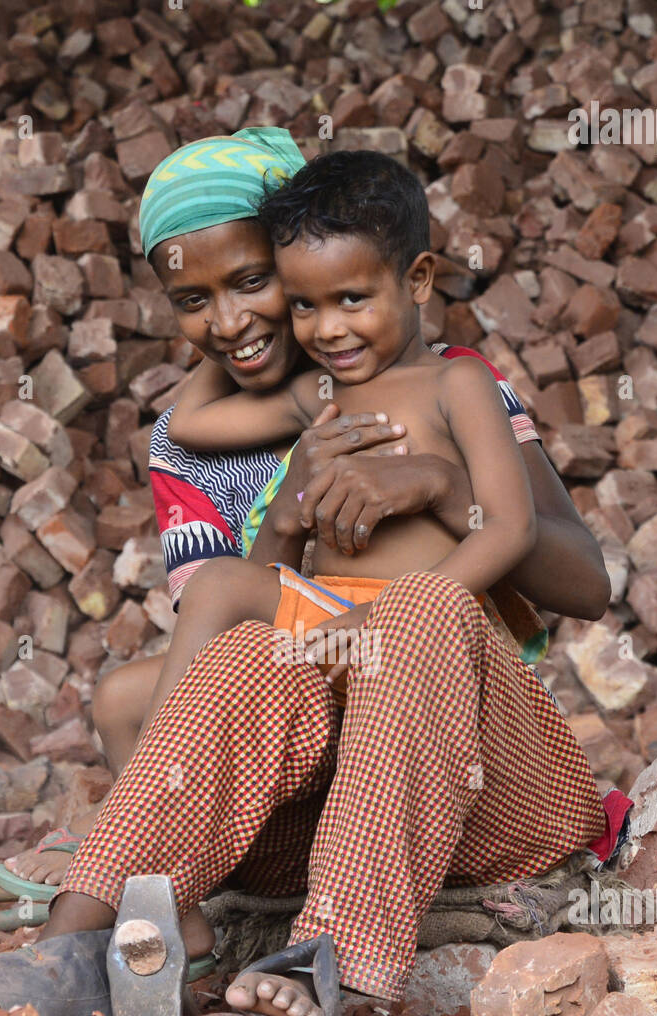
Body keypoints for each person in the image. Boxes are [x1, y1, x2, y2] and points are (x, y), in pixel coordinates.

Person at [0, 128, 624, 1016]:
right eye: (198, 298)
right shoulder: (240, 430)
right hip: (298, 798)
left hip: (465, 766)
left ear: (407, 277)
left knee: (419, 608)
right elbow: (260, 589)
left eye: (257, 282)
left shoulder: (454, 387)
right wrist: (296, 501)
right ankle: (73, 943)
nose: (242, 322)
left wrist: (439, 485)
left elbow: (580, 580)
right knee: (242, 655)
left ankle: (334, 968)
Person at [159, 149, 539, 699]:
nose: (329, 329)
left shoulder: (458, 383)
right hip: (329, 618)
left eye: (351, 298)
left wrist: (391, 618)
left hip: (427, 627)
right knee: (216, 585)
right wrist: (226, 333)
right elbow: (188, 424)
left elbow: (512, 528)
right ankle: (157, 779)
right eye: (303, 305)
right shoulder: (317, 393)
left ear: (419, 279)